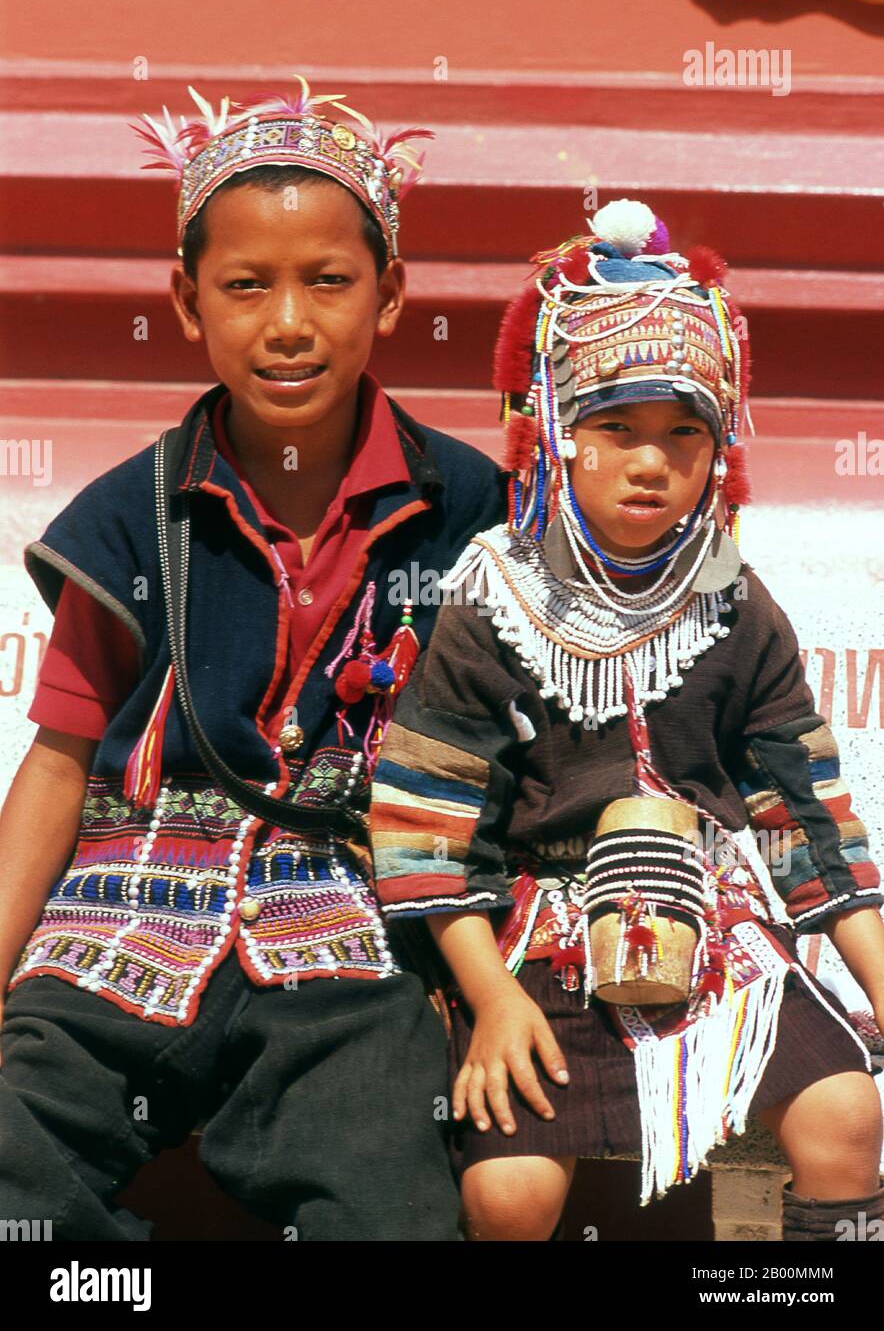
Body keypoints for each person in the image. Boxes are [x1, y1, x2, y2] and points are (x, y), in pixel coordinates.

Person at [0, 74, 509, 1241]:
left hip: (348, 937)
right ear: (187, 302)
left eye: (329, 281)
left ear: (390, 292)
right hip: (118, 920)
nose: (288, 322)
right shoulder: (130, 515)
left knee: (389, 1211)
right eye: (246, 285)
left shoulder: (468, 508)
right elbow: (60, 757)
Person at [369, 199, 884, 1241]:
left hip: (716, 928)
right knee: (508, 1195)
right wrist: (487, 997)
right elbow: (422, 826)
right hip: (538, 940)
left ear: (714, 450)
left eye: (681, 434)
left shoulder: (733, 600)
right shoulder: (488, 601)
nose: (650, 462)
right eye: (615, 429)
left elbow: (801, 809)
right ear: (555, 432)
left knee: (844, 1113)